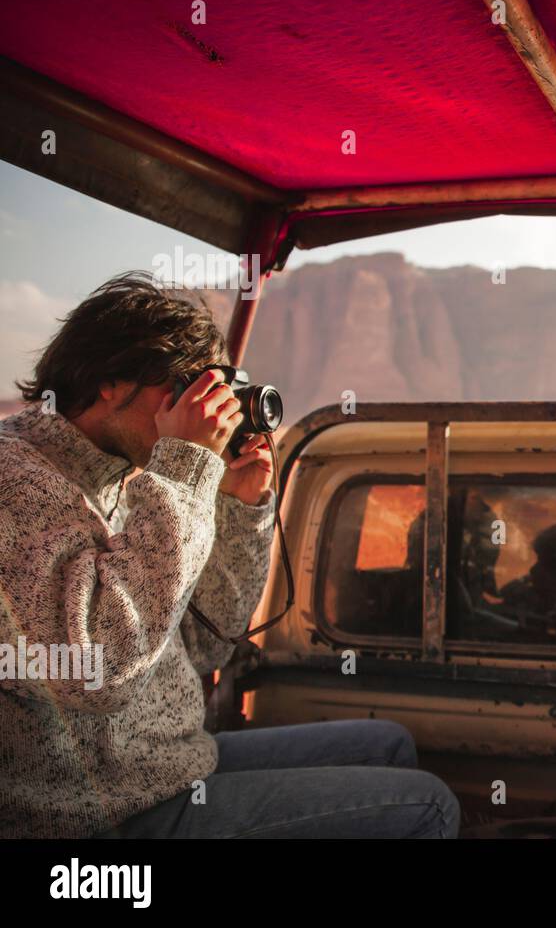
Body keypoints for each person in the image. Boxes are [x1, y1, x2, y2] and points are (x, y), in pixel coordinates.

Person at [0, 272, 459, 838]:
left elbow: (207, 639)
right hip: (101, 811)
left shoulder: (128, 476)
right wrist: (185, 466)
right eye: (182, 392)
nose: (198, 416)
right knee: (430, 807)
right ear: (110, 383)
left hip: (169, 766)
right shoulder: (16, 482)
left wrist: (240, 510)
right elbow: (96, 674)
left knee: (388, 745)